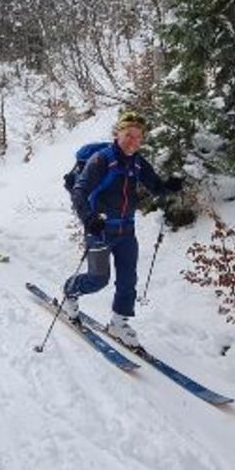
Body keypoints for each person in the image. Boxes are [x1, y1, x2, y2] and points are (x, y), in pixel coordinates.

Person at [61, 111, 183, 348]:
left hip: (127, 231)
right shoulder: (101, 160)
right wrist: (89, 218)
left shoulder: (138, 161)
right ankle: (70, 290)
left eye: (138, 137)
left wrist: (168, 187)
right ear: (118, 134)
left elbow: (155, 186)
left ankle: (119, 322)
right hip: (100, 229)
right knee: (98, 279)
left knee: (128, 279)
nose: (134, 142)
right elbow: (79, 192)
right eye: (129, 135)